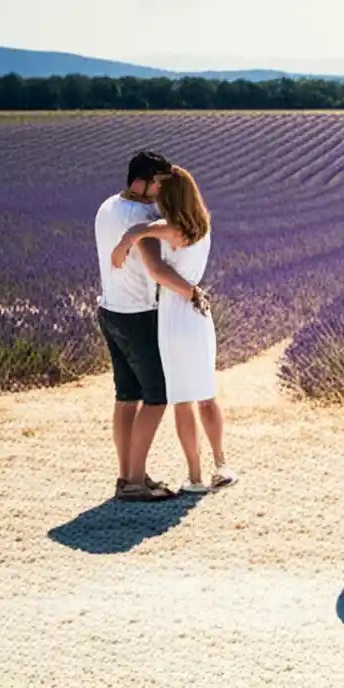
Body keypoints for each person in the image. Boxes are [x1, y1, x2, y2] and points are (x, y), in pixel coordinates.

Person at [112, 166, 236, 494]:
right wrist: (195, 291)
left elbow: (141, 232)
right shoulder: (203, 225)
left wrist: (125, 242)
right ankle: (221, 465)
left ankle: (195, 478)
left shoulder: (170, 228)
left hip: (175, 312)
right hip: (198, 314)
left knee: (182, 399)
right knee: (207, 395)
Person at [95, 150, 199, 501]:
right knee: (156, 396)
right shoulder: (144, 215)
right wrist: (192, 292)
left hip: (109, 309)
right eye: (157, 182)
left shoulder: (106, 206)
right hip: (139, 313)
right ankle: (137, 482)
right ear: (140, 181)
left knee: (126, 397)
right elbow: (156, 270)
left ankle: (126, 476)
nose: (160, 190)